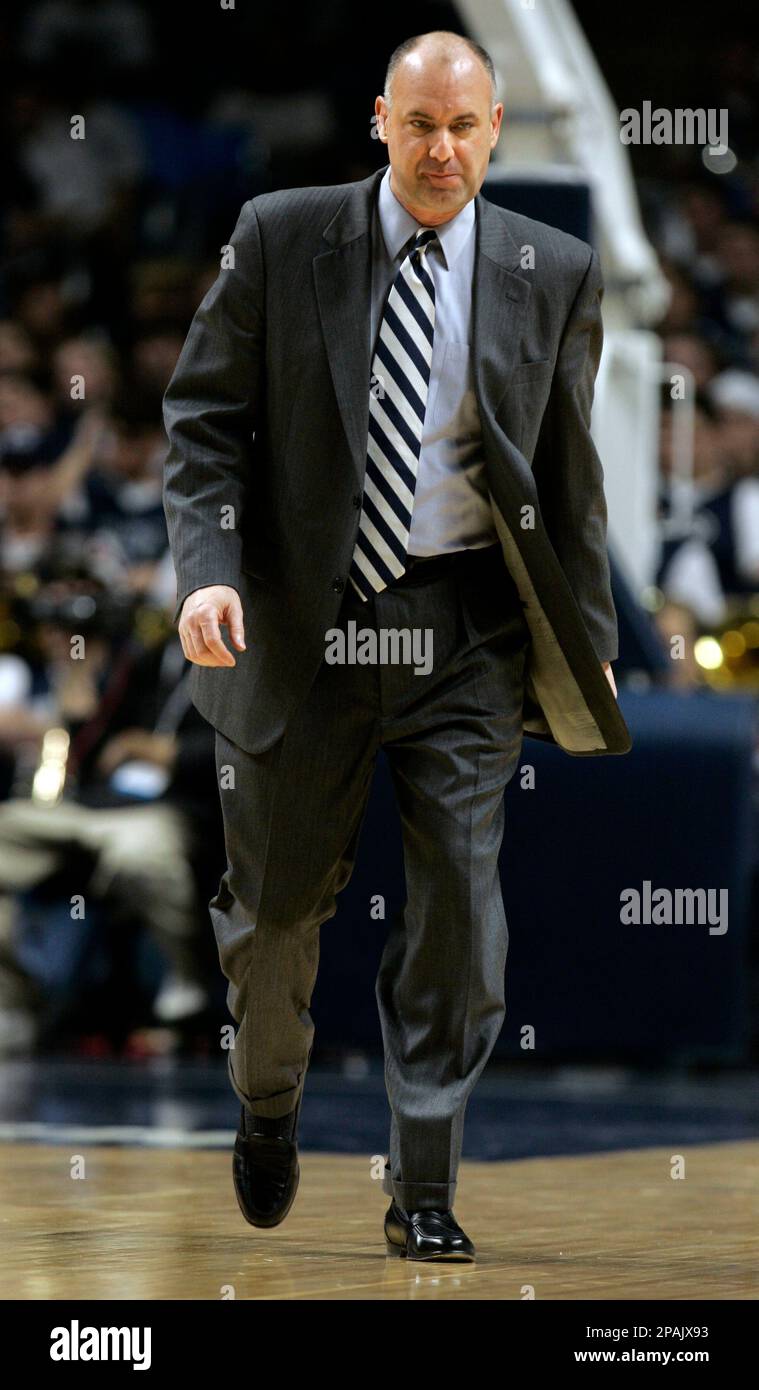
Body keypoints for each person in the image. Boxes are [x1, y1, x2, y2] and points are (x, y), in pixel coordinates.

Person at [162, 29, 631, 1262]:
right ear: (381, 119)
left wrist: (589, 642)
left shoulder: (555, 267)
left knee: (462, 915)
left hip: (462, 630)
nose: (440, 150)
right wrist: (207, 576)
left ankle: (422, 1182)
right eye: (418, 124)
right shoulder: (280, 235)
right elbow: (203, 424)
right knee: (270, 924)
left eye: (463, 127)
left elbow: (571, 484)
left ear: (494, 127)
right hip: (299, 628)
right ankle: (267, 1103)